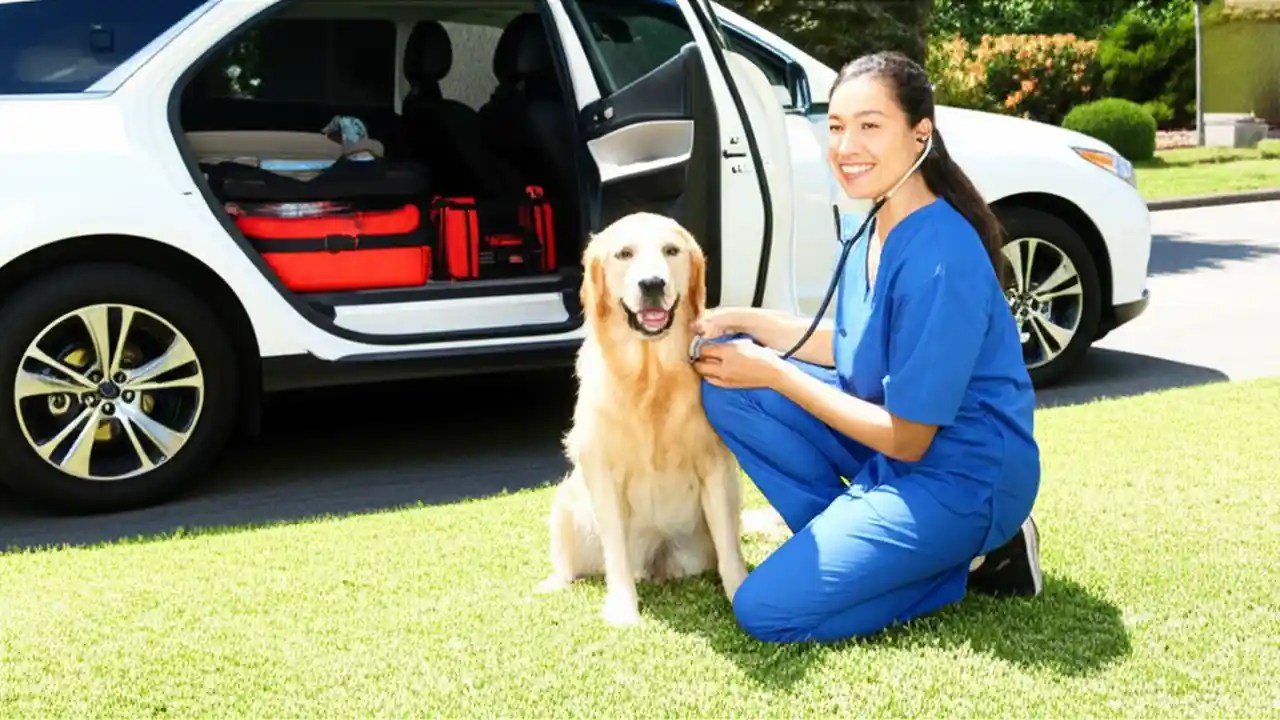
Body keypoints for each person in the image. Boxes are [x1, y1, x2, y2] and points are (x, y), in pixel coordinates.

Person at [691, 51, 1043, 644]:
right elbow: (859, 343)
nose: (846, 145)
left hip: (962, 479)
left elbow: (909, 436)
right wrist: (745, 321)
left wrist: (776, 371)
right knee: (730, 389)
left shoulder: (940, 257)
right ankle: (858, 545)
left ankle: (964, 559)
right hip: (894, 454)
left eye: (869, 125)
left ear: (920, 133)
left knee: (765, 611)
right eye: (836, 126)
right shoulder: (874, 222)